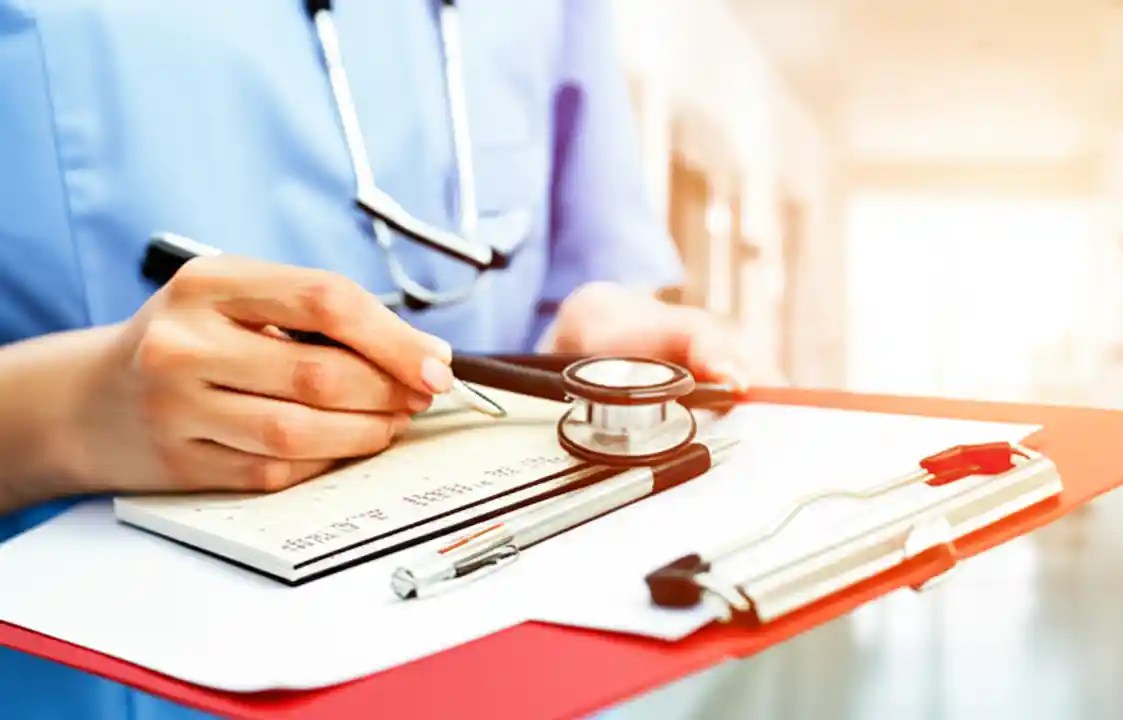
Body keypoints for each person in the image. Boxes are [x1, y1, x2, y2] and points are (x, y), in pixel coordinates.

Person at [0, 2, 767, 717]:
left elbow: (573, 266)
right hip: (88, 674)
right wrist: (57, 417)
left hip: (484, 649)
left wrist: (564, 361)